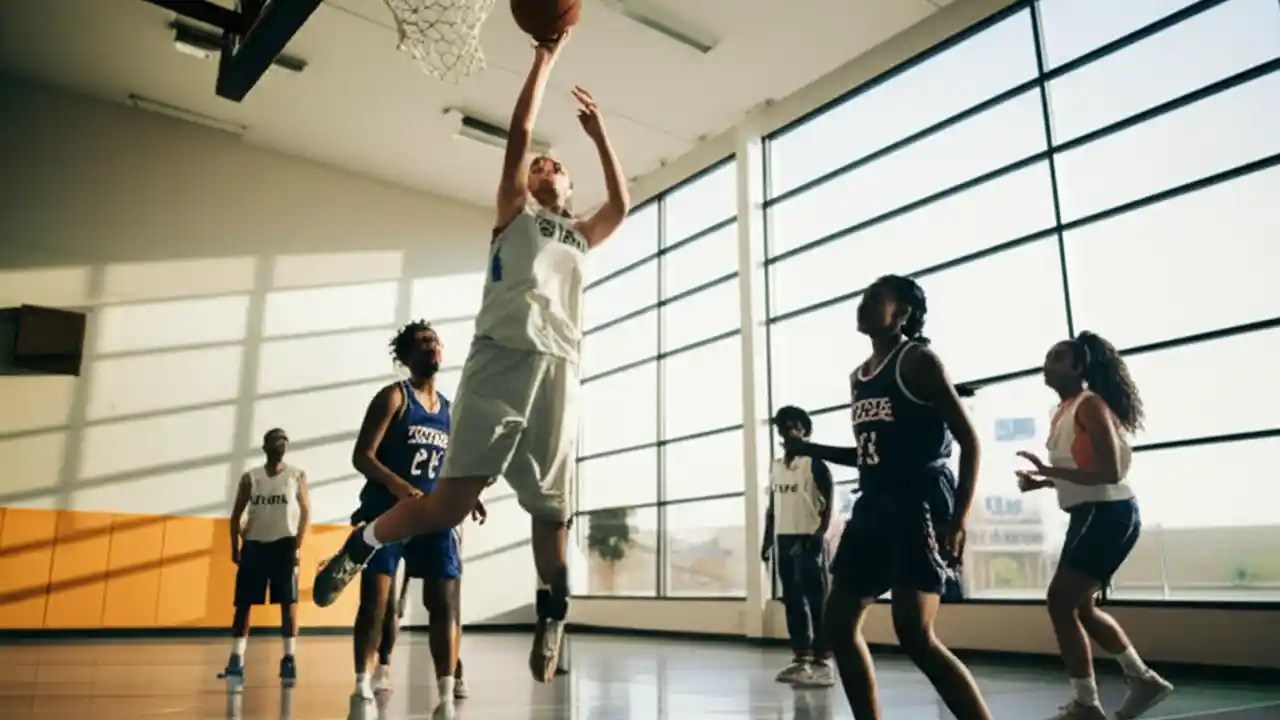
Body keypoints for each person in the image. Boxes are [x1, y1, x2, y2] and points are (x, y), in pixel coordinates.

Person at [313, 29, 631, 685]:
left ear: (569, 187)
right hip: (497, 364)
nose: (543, 167)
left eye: (553, 166)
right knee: (447, 508)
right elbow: (517, 134)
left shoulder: (580, 233)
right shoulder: (513, 213)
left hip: (557, 372)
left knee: (552, 517)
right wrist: (545, 60)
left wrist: (599, 136)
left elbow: (622, 205)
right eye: (538, 165)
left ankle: (552, 612)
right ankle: (359, 544)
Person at [783, 275, 992, 720]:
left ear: (901, 314)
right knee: (839, 624)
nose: (862, 304)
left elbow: (969, 442)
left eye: (874, 299)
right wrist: (810, 449)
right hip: (874, 503)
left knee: (915, 636)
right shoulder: (859, 377)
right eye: (862, 297)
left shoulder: (918, 360)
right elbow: (867, 455)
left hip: (919, 504)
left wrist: (958, 520)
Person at [1016, 332, 1173, 720]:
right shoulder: (1067, 409)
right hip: (1093, 514)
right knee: (1081, 608)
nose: (1046, 363)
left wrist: (1049, 470)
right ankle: (1144, 679)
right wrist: (1044, 481)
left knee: (1059, 602)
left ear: (1079, 367)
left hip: (1107, 514)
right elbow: (1084, 471)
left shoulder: (1090, 406)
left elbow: (1109, 471)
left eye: (1057, 357)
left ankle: (1087, 703)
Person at [347, 321, 483, 719]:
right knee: (377, 601)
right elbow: (362, 456)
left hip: (433, 514)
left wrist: (469, 495)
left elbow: (453, 464)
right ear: (405, 357)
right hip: (385, 512)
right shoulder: (393, 398)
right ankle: (363, 684)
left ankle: (445, 693)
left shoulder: (448, 408)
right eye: (422, 342)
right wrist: (400, 486)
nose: (432, 347)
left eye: (435, 341)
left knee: (443, 601)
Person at [218, 427, 310, 691]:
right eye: (274, 440)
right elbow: (236, 516)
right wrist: (234, 546)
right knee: (244, 604)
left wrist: (298, 545)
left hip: (284, 545)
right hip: (255, 545)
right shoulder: (251, 478)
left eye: (282, 439)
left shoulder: (296, 476)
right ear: (265, 446)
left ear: (286, 446)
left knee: (288, 603)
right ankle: (236, 657)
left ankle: (289, 658)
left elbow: (305, 512)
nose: (279, 443)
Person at [762, 405, 836, 688]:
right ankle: (801, 657)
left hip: (809, 536)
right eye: (783, 426)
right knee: (792, 598)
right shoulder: (777, 466)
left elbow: (829, 499)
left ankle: (823, 659)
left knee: (816, 598)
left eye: (795, 425)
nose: (789, 430)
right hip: (784, 537)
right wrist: (767, 539)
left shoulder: (815, 463)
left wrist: (819, 532)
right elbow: (773, 506)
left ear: (804, 430)